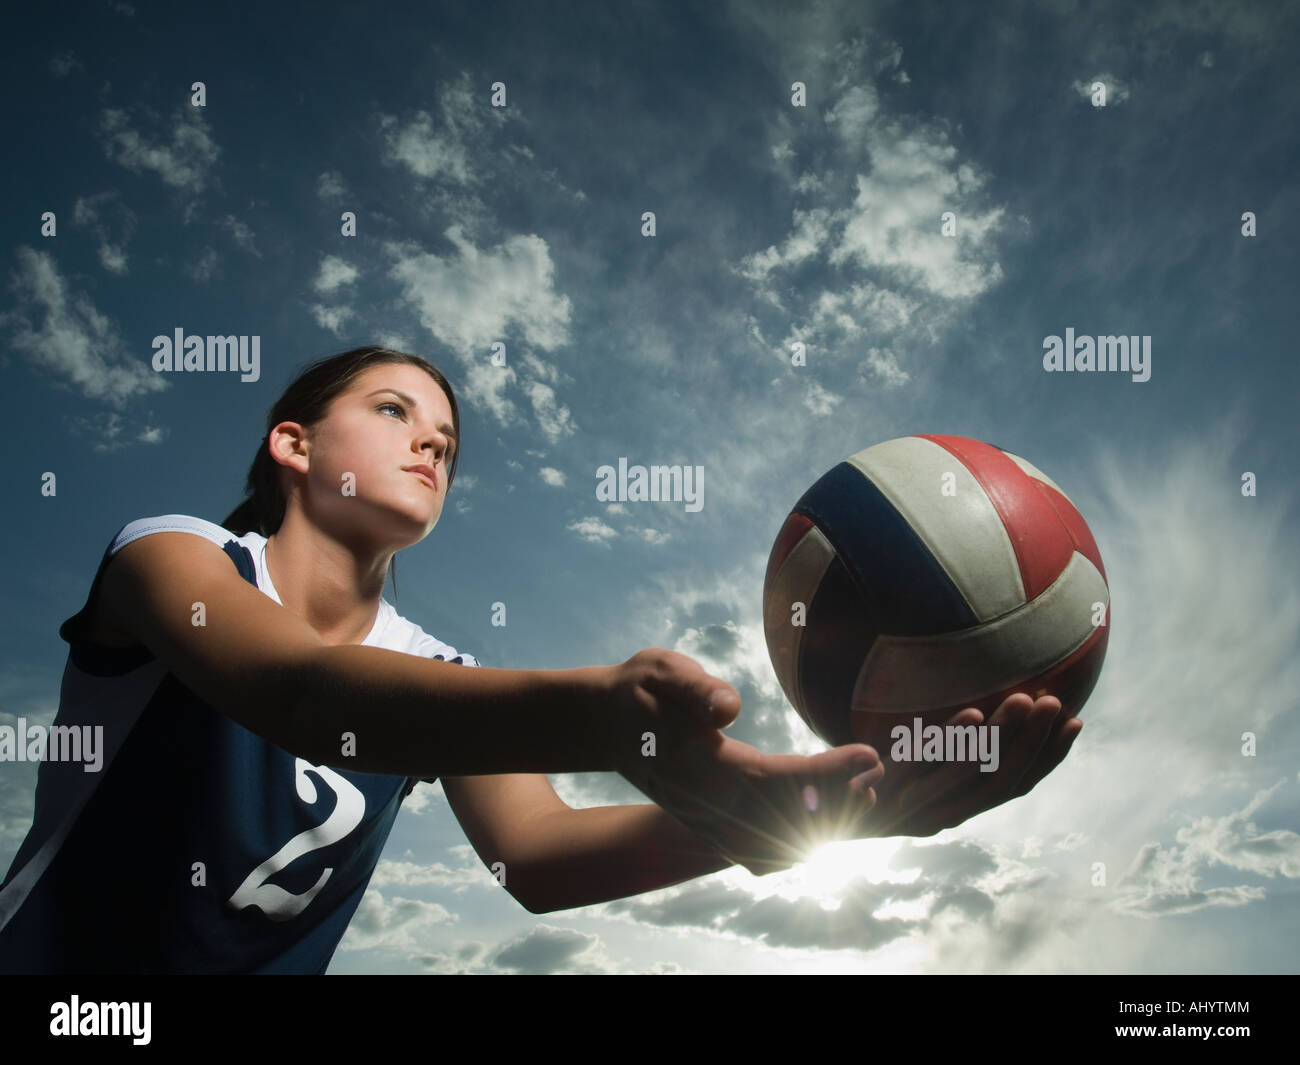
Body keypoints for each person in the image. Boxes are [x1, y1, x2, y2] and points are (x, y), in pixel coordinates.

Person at [0, 345, 1078, 974]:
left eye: (448, 444)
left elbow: (543, 860)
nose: (430, 443)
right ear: (293, 446)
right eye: (392, 412)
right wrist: (611, 716)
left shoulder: (444, 673)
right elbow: (298, 691)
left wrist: (822, 819)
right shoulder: (172, 555)